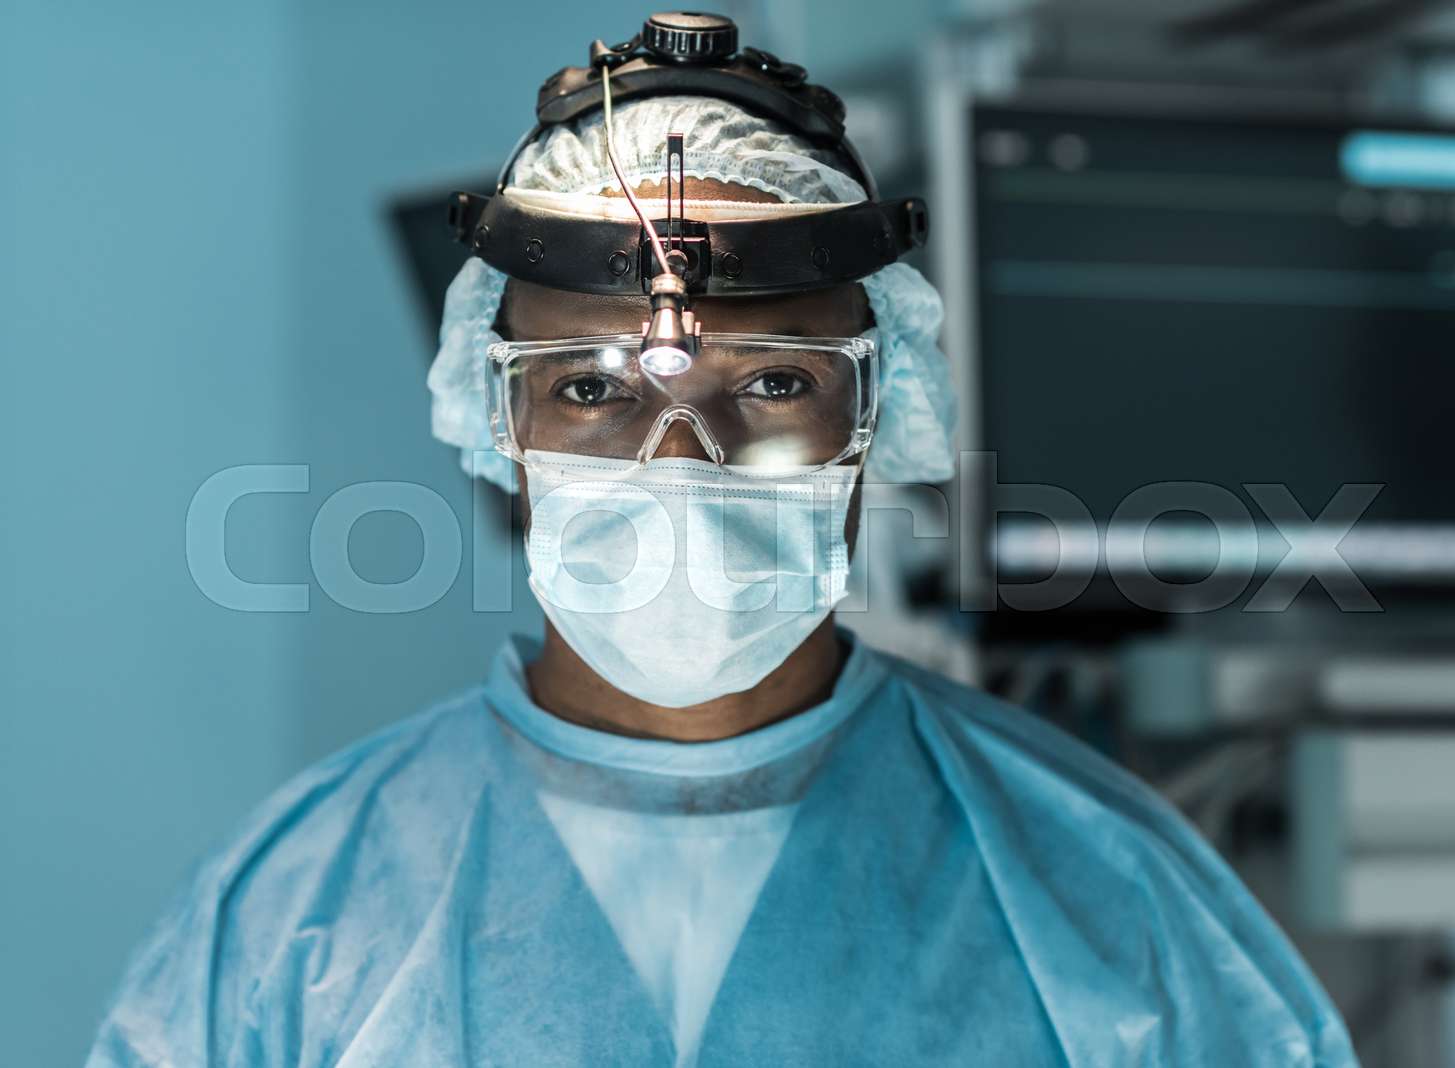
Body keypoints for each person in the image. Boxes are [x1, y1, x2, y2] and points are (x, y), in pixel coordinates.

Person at [88, 15, 1357, 1067]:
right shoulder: (296, 920)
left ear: (882, 411)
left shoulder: (1101, 893)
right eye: (591, 390)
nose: (679, 462)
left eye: (772, 385)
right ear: (494, 419)